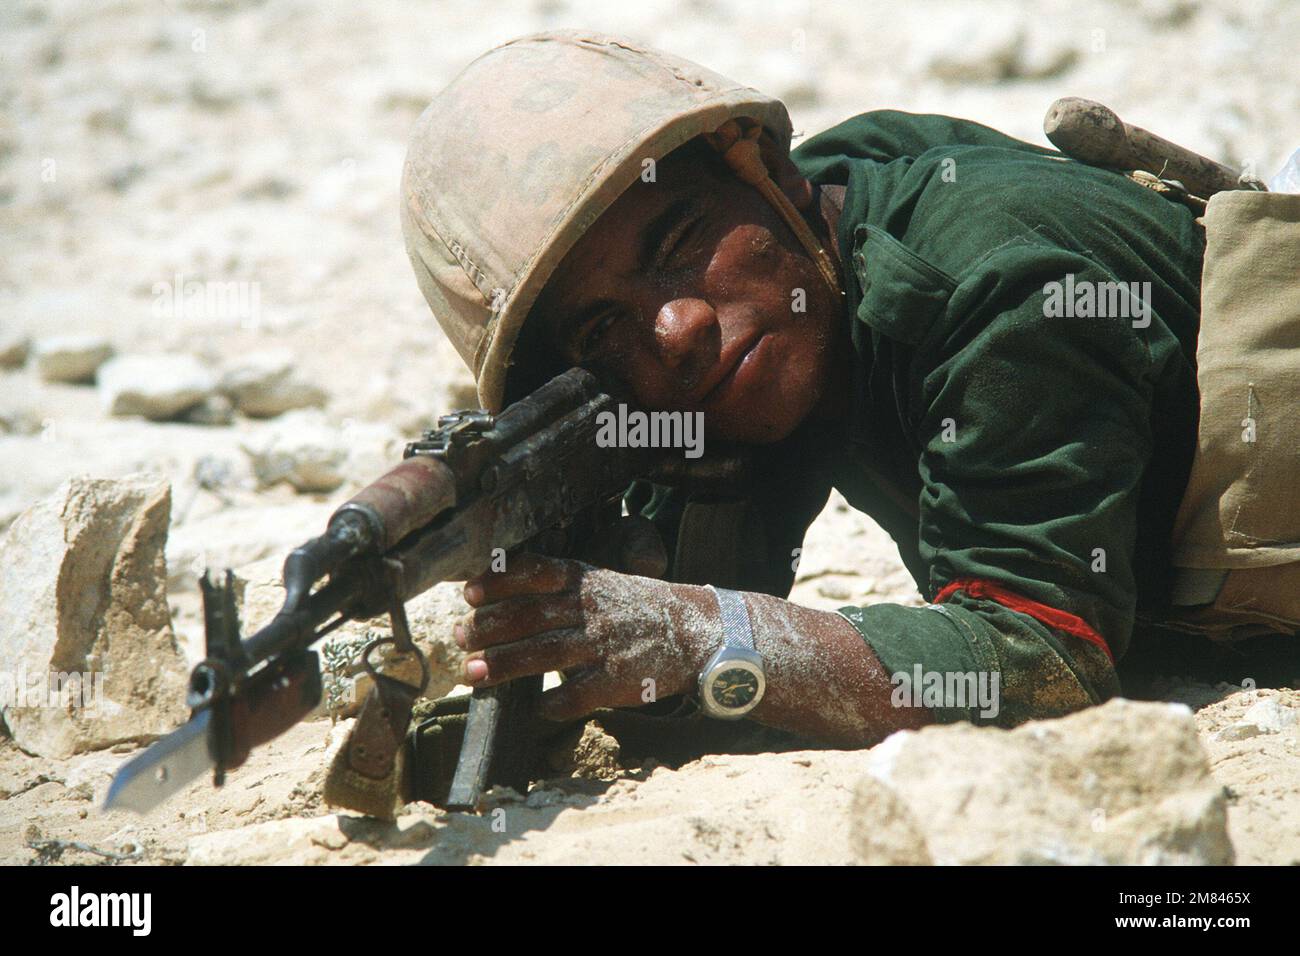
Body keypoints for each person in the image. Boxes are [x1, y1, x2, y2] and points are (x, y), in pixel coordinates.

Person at [397, 31, 1229, 747]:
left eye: (680, 240)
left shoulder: (1000, 286)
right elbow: (679, 681)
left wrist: (705, 632)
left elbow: (1045, 661)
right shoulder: (804, 270)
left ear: (769, 175)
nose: (676, 329)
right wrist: (638, 566)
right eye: (600, 330)